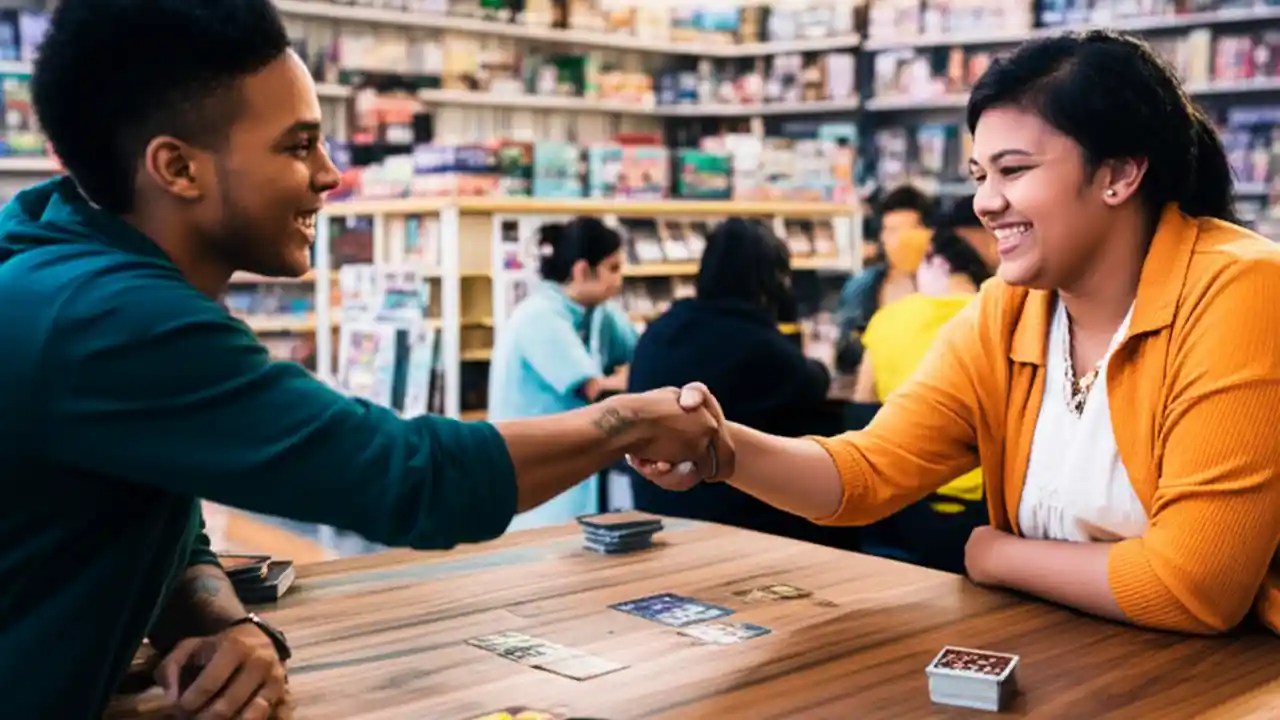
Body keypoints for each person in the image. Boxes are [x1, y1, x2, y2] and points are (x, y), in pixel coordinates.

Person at [0, 3, 728, 719]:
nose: (331, 175)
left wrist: (221, 621)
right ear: (177, 167)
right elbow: (406, 478)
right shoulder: (107, 318)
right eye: (297, 145)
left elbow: (166, 499)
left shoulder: (60, 261)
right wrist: (625, 424)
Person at [636, 30, 1280, 637]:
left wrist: (994, 554)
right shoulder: (1006, 312)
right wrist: (724, 451)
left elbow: (1196, 586)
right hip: (1064, 661)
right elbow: (867, 472)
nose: (985, 202)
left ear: (1118, 174)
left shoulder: (1241, 290)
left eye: (1014, 169)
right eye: (979, 175)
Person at [626, 219, 856, 550]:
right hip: (741, 525)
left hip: (659, 512)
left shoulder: (661, 330)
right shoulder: (757, 343)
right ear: (770, 280)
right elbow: (812, 382)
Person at [854, 221, 993, 573]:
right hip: (985, 515)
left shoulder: (888, 318)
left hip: (900, 507)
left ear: (935, 264)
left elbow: (860, 408)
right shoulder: (998, 317)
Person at [488, 217, 639, 530]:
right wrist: (624, 379)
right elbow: (597, 390)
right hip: (540, 478)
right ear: (582, 270)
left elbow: (643, 357)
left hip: (580, 471)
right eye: (613, 268)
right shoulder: (539, 316)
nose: (619, 280)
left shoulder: (599, 313)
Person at [834, 185, 933, 373]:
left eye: (906, 232)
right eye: (890, 231)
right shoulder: (860, 288)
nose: (896, 241)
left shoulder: (947, 287)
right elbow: (845, 354)